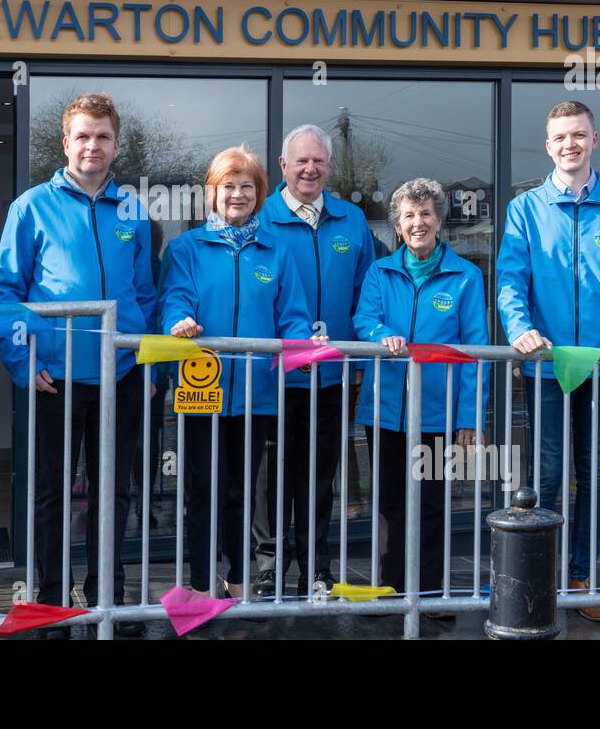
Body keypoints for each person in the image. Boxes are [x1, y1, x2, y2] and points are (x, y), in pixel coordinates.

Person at [0, 92, 157, 638]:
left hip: (123, 376)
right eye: (83, 135)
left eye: (103, 136)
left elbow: (147, 296)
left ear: (116, 144)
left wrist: (150, 364)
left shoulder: (133, 209)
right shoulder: (31, 205)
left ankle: (108, 592)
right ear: (66, 143)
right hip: (53, 379)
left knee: (117, 490)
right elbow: (5, 293)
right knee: (51, 493)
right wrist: (21, 360)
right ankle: (51, 600)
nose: (93, 145)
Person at [496, 100, 600, 623]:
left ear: (595, 140)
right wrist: (519, 328)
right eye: (561, 137)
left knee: (594, 473)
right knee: (544, 473)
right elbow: (509, 280)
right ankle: (540, 580)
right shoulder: (525, 208)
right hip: (544, 363)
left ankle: (581, 579)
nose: (570, 144)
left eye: (579, 135)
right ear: (548, 146)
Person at [160, 144, 312, 598]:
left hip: (256, 392)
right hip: (199, 389)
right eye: (229, 186)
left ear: (260, 193)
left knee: (240, 494)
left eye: (248, 186)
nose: (238, 194)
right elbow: (175, 298)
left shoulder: (277, 251)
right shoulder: (187, 248)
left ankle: (239, 579)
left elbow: (294, 315)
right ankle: (203, 586)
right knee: (203, 493)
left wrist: (305, 342)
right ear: (212, 191)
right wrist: (178, 322)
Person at [354, 178, 487, 609]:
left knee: (431, 506)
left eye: (426, 214)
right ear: (396, 225)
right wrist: (382, 334)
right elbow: (364, 320)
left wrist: (469, 416)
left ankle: (429, 597)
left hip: (438, 415)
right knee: (391, 504)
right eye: (409, 216)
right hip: (387, 412)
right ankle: (392, 594)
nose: (418, 223)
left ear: (439, 220)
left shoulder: (466, 276)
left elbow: (475, 350)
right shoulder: (380, 271)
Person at [254, 124, 375, 597]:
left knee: (320, 475)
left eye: (319, 161)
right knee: (270, 476)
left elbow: (368, 293)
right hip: (275, 374)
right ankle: (268, 563)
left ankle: (315, 565)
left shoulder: (352, 220)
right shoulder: (261, 218)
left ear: (328, 166)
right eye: (300, 161)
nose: (310, 168)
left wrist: (363, 350)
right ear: (282, 167)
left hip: (333, 374)